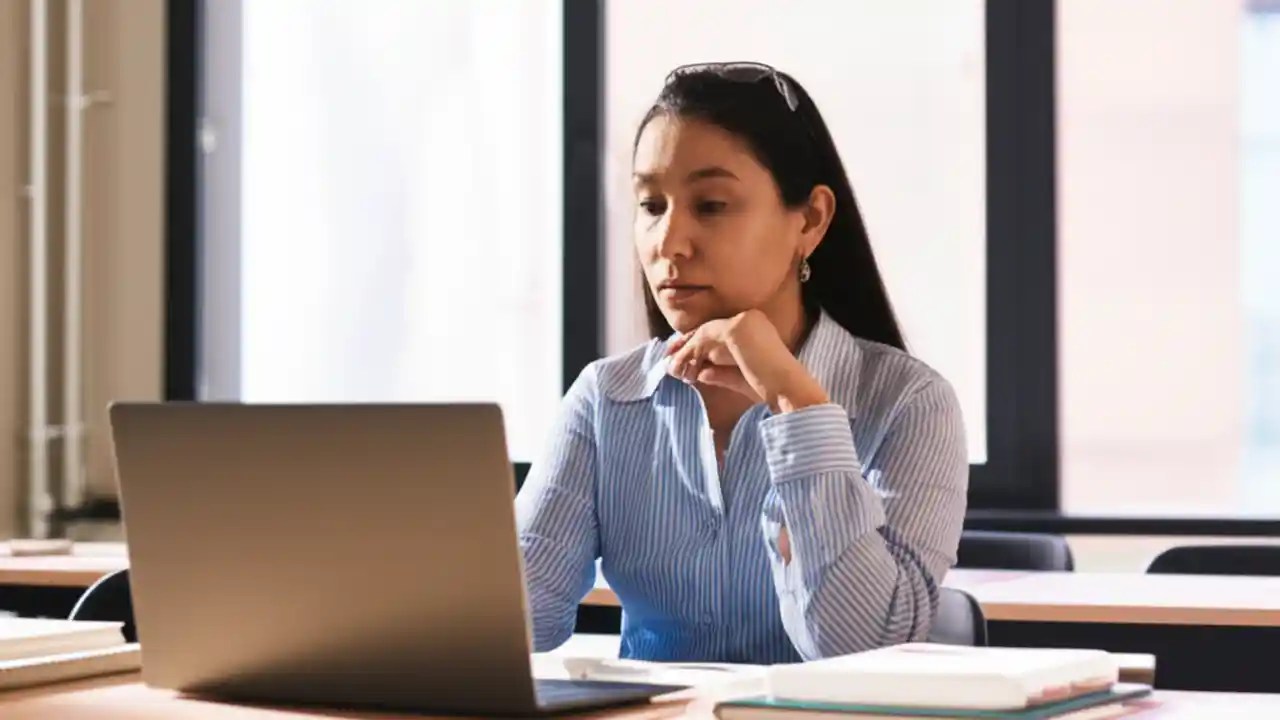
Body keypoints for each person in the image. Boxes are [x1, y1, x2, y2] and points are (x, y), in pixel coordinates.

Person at [515, 62, 967, 664]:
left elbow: (861, 650)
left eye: (711, 204)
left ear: (809, 220)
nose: (668, 242)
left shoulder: (908, 403)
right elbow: (521, 622)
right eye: (651, 204)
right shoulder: (606, 399)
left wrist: (794, 402)